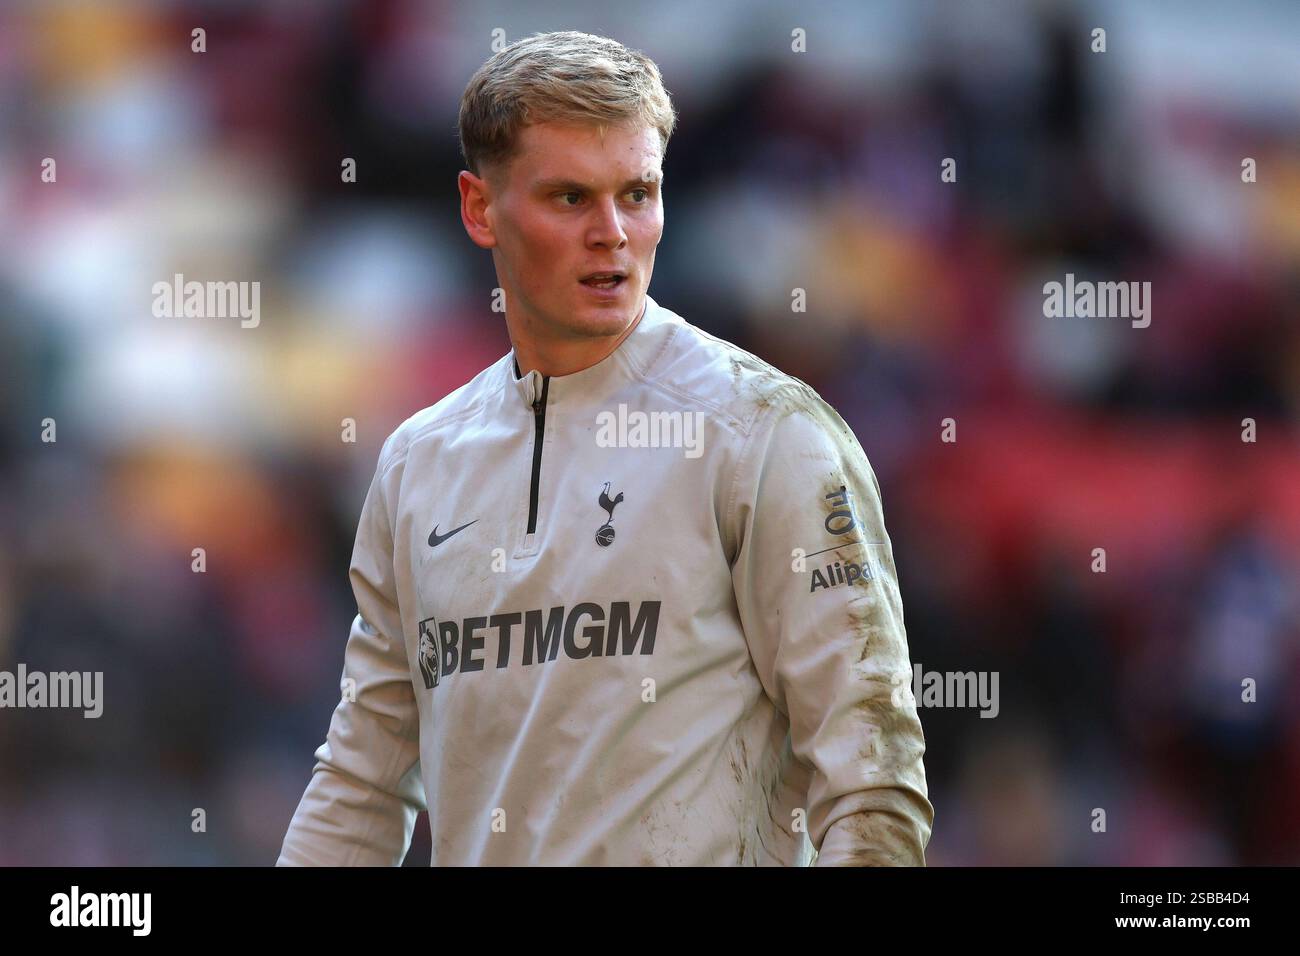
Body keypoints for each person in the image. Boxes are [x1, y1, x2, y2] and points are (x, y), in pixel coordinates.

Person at [277, 30, 932, 866]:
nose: (613, 233)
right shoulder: (417, 465)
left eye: (638, 194)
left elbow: (872, 779)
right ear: (480, 209)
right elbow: (362, 786)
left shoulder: (767, 434)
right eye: (570, 199)